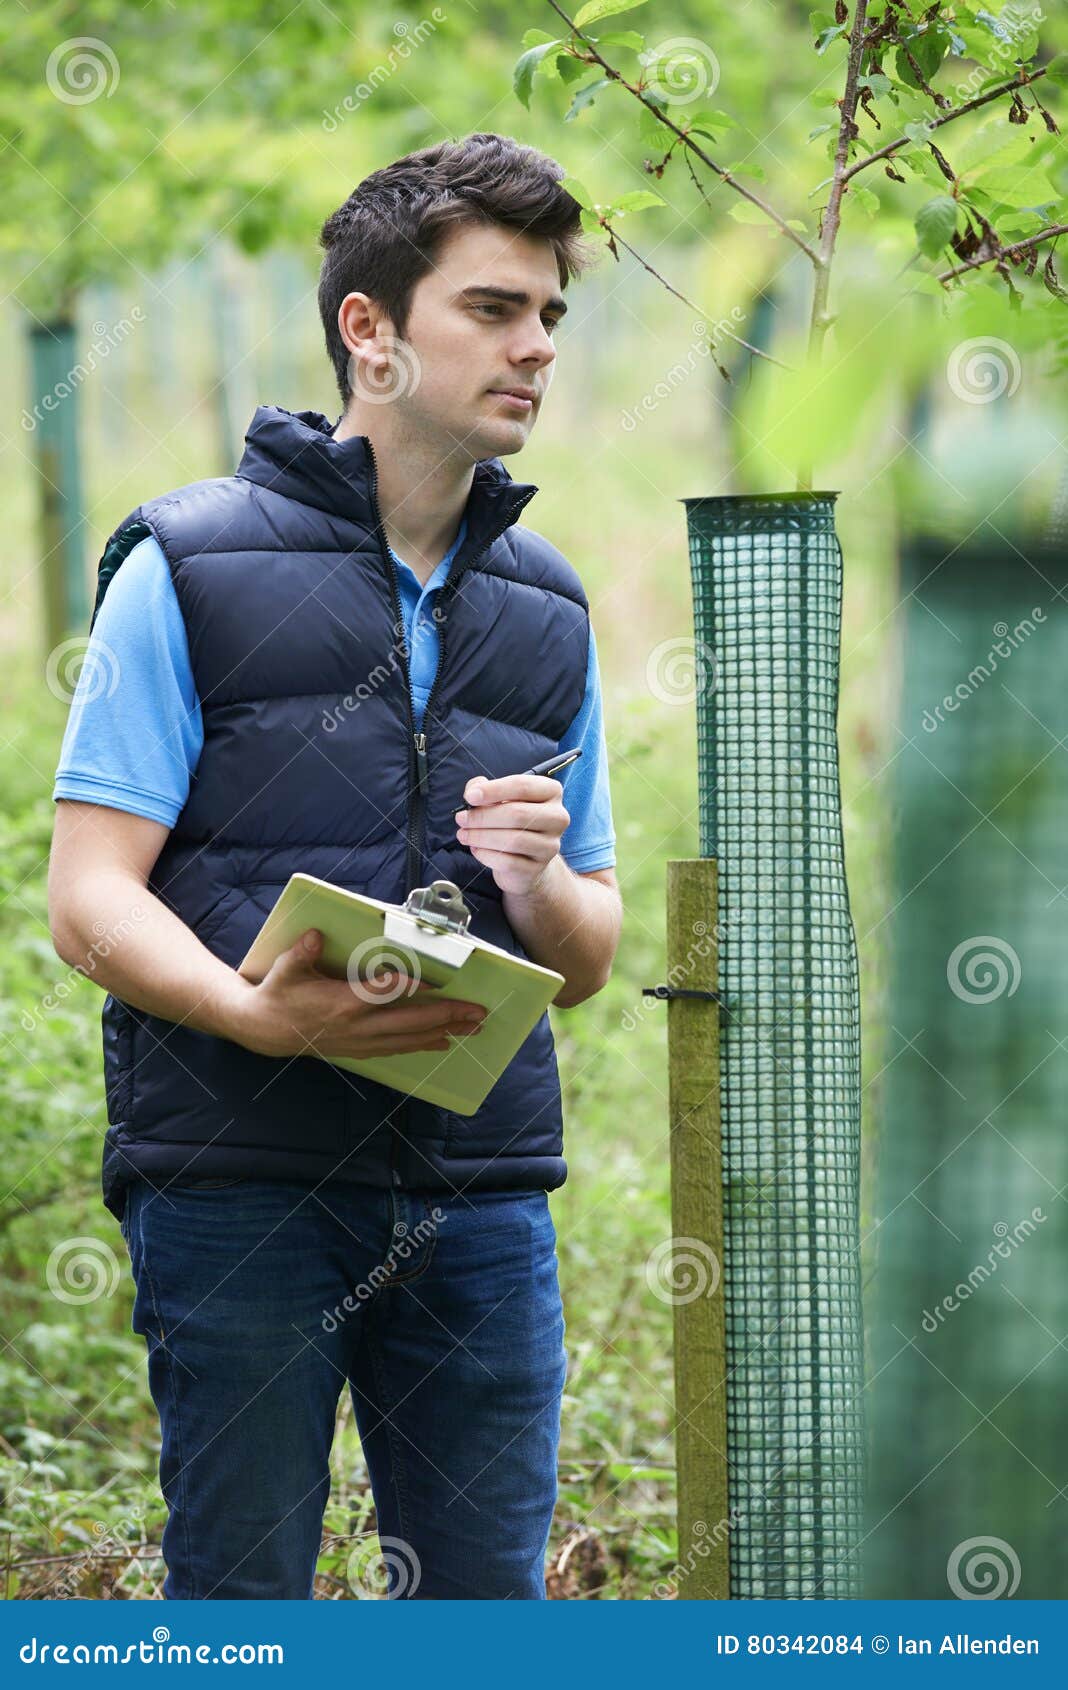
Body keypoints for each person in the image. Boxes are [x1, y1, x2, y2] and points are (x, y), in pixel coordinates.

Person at [47, 131, 622, 1601]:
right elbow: (89, 893)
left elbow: (588, 956)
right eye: (493, 308)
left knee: (483, 1609)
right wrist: (253, 1014)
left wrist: (542, 880)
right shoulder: (183, 566)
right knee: (243, 1599)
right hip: (237, 1178)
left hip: (480, 1198)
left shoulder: (550, 612)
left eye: (551, 312)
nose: (536, 345)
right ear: (368, 330)